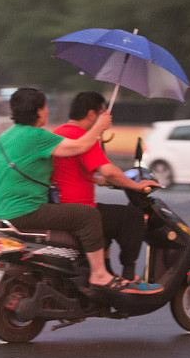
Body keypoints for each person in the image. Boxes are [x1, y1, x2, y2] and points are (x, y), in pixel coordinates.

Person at [0, 87, 132, 292]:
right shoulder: (37, 136)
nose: (47, 111)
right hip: (26, 212)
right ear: (39, 111)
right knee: (88, 215)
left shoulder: (1, 140)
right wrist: (99, 126)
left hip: (0, 214)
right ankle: (99, 274)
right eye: (46, 107)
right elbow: (80, 146)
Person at [52, 91, 160, 289]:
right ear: (92, 114)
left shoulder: (58, 132)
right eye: (104, 113)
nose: (108, 119)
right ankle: (129, 277)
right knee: (133, 217)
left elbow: (67, 169)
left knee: (109, 219)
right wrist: (136, 185)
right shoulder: (83, 137)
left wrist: (97, 180)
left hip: (60, 208)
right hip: (80, 210)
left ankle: (108, 271)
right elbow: (109, 170)